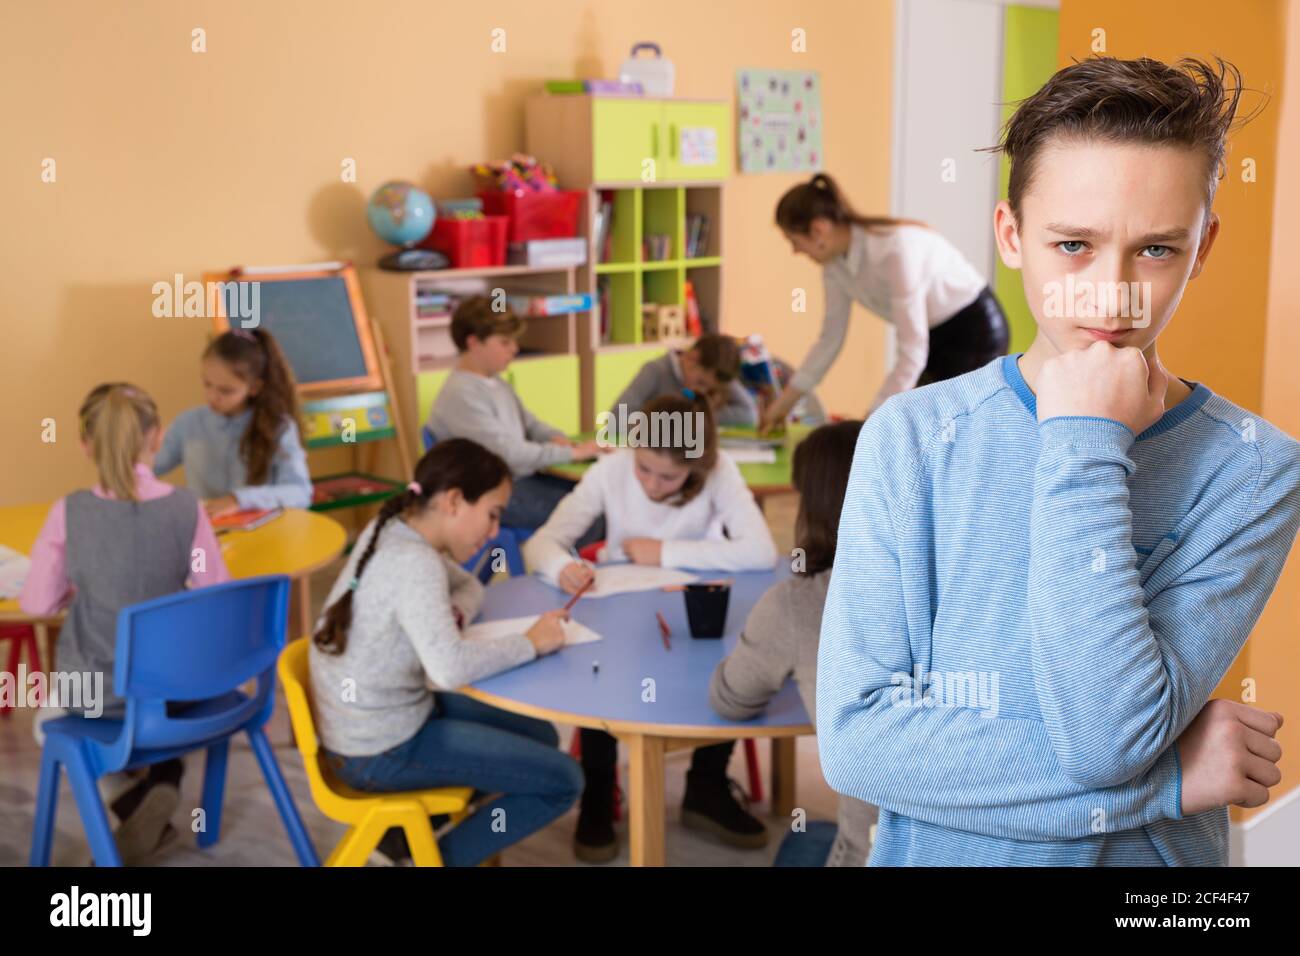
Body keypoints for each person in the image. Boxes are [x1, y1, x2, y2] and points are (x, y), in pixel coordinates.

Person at [818, 56, 1297, 865]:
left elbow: (1106, 737)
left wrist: (1083, 440)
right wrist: (1170, 778)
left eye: (1155, 250)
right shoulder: (909, 438)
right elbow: (860, 742)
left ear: (1202, 245)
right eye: (1073, 244)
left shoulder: (1253, 469)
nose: (1110, 297)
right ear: (1010, 235)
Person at [523, 392, 779, 862]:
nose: (652, 485)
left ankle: (706, 786)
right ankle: (599, 791)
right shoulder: (612, 469)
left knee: (731, 665)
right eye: (644, 468)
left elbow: (761, 550)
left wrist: (664, 552)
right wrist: (562, 567)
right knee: (600, 667)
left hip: (692, 609)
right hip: (621, 609)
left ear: (697, 468)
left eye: (669, 477)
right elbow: (543, 542)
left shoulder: (719, 472)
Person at [310, 438, 583, 866]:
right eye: (492, 515)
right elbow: (450, 667)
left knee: (544, 736)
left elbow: (470, 586)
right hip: (380, 751)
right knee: (563, 780)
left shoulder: (391, 529)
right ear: (454, 501)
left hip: (382, 723)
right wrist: (530, 643)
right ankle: (433, 859)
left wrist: (449, 614)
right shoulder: (414, 562)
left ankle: (409, 838)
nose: (494, 532)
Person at [21, 382, 230, 863]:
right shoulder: (186, 507)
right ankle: (164, 774)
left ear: (84, 445)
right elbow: (214, 592)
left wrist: (84, 582)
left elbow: (37, 603)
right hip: (179, 691)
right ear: (156, 438)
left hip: (98, 694)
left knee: (47, 723)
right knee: (144, 691)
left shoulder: (67, 513)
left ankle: (131, 798)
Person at [709, 419, 877, 866]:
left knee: (800, 840)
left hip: (873, 854)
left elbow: (731, 700)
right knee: (809, 831)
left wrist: (769, 656)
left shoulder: (798, 604)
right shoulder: (961, 589)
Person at [762, 173, 1009, 430]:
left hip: (974, 328)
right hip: (933, 335)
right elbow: (830, 340)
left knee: (951, 428)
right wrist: (784, 405)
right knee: (929, 426)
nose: (796, 251)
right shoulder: (833, 266)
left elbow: (911, 351)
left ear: (818, 230)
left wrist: (871, 421)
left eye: (794, 241)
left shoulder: (895, 250)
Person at [155, 328, 312, 516]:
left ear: (254, 387)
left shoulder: (279, 427)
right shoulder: (188, 423)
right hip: (209, 535)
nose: (212, 396)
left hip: (264, 535)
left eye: (226, 390)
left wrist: (240, 500)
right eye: (207, 384)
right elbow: (148, 467)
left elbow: (300, 492)